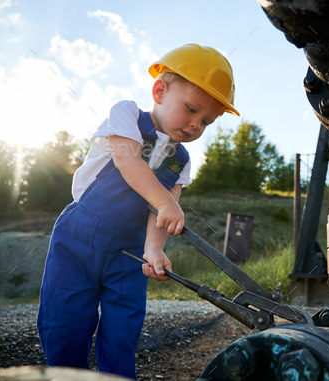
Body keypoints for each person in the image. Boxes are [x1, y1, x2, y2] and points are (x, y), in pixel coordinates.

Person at [36, 43, 239, 379]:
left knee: (123, 327)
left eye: (206, 121)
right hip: (79, 237)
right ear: (160, 90)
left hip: (129, 254)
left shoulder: (181, 160)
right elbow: (128, 161)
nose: (195, 125)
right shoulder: (127, 115)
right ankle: (66, 374)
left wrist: (153, 249)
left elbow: (159, 213)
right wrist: (164, 202)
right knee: (66, 319)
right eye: (191, 109)